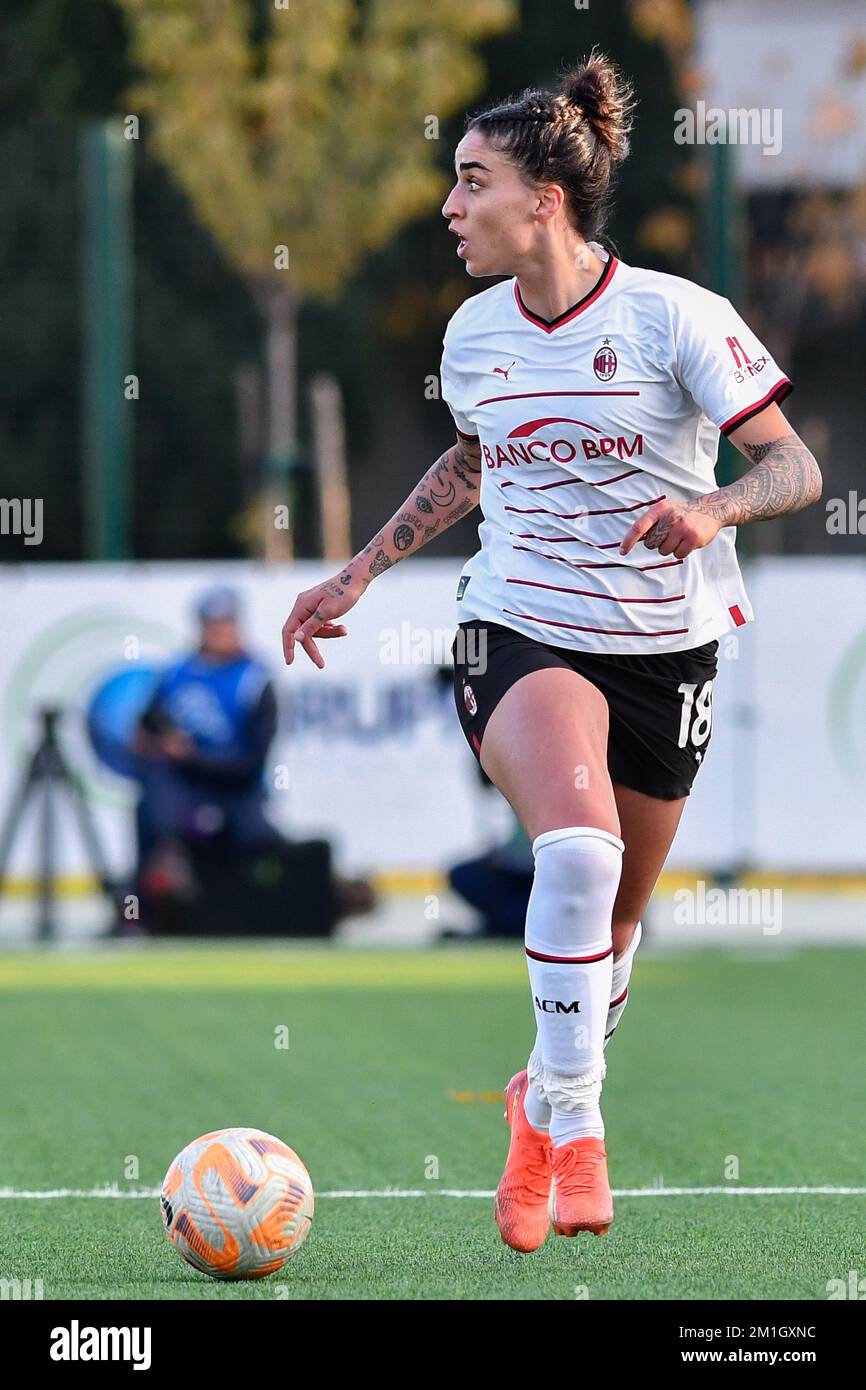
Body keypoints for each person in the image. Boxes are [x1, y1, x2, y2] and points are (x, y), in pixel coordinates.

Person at [280, 50, 822, 1252]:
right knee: (573, 855)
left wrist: (715, 509)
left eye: (469, 182)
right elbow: (475, 461)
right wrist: (359, 572)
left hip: (665, 655)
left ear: (545, 201)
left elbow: (794, 466)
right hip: (517, 626)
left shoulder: (675, 317)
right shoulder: (473, 334)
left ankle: (537, 1098)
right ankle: (575, 1122)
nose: (447, 207)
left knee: (613, 929)